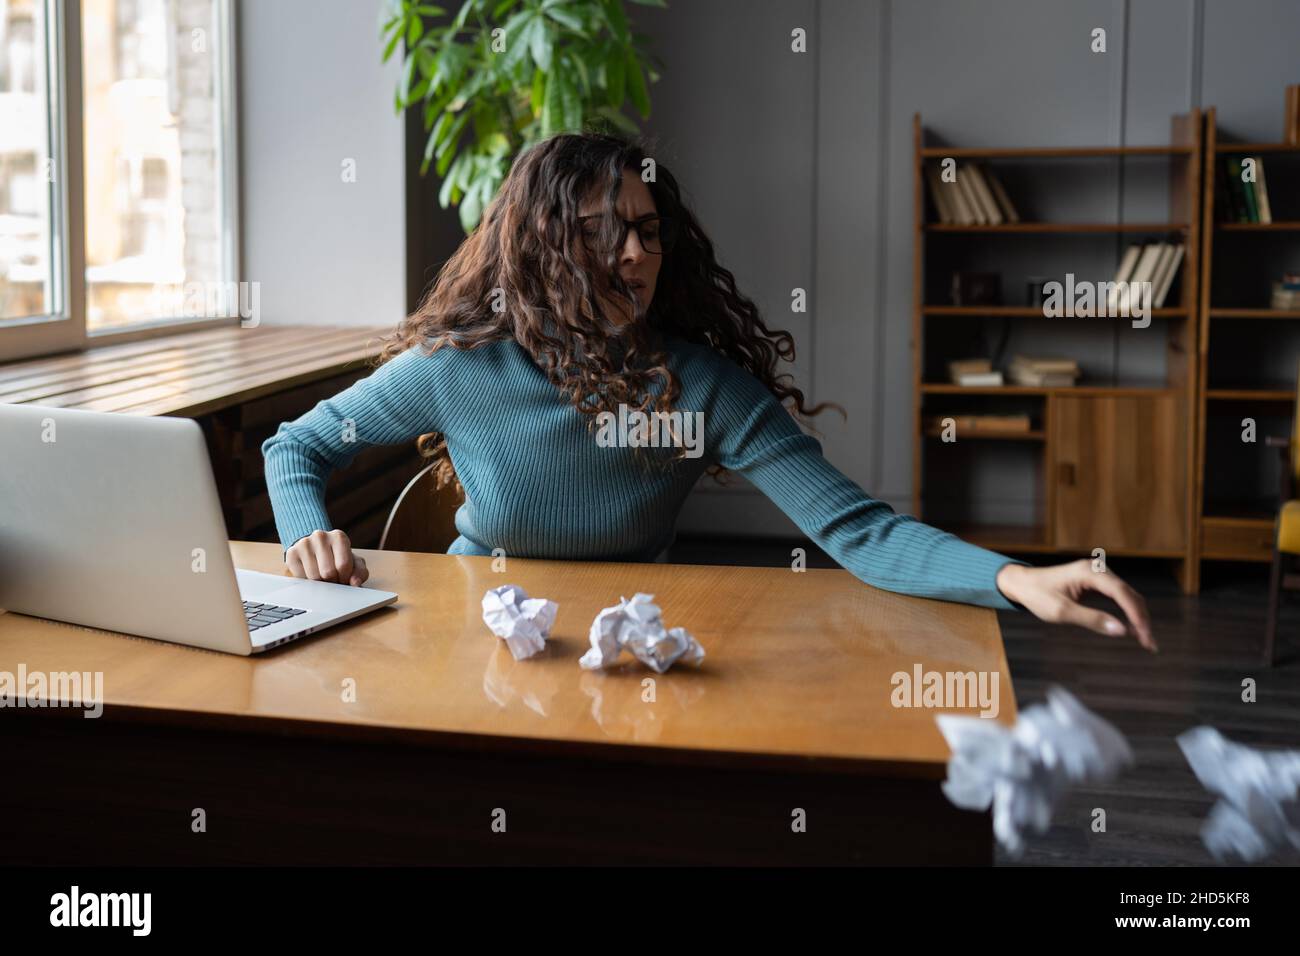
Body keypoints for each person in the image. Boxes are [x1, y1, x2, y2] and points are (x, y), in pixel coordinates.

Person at [262, 132, 1154, 651]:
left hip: (631, 644)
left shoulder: (701, 390)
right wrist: (307, 535)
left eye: (648, 232)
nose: (637, 255)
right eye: (604, 233)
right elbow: (293, 445)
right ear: (540, 248)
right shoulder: (461, 370)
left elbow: (860, 532)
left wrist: (1013, 578)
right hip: (470, 647)